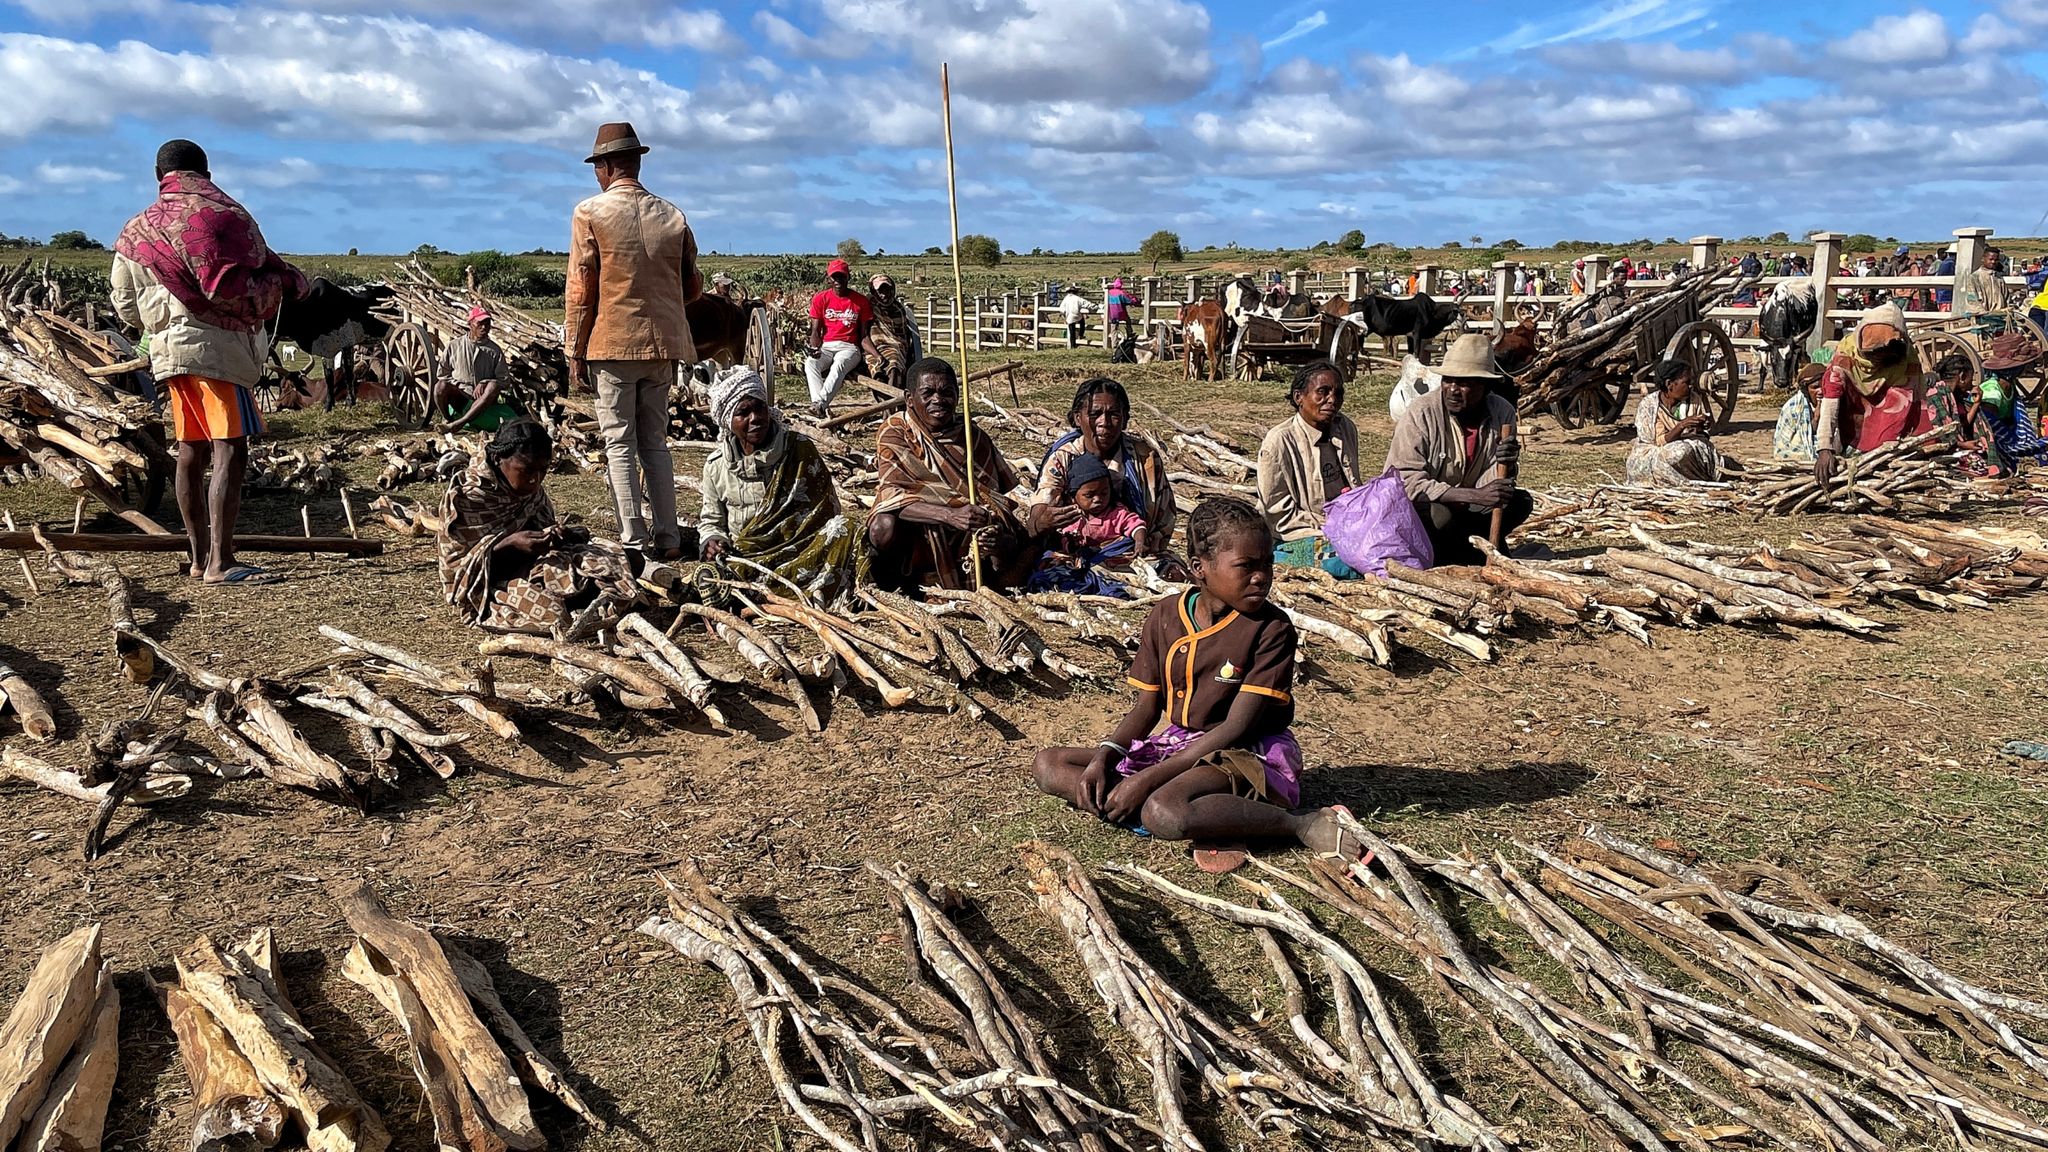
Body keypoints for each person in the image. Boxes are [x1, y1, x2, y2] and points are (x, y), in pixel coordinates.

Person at [1030, 497, 1360, 860]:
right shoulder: (1165, 616)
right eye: (1246, 566)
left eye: (1267, 564)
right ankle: (1207, 813)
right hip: (1180, 744)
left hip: (1245, 751)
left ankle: (1299, 823)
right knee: (1048, 765)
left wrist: (1147, 779)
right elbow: (1147, 707)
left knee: (1164, 810)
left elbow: (1236, 727)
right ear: (1199, 568)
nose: (1262, 576)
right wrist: (1107, 757)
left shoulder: (1271, 628)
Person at [111, 138, 306, 586]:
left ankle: (198, 559)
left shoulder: (136, 230)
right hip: (220, 350)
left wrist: (158, 327)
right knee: (230, 448)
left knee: (189, 450)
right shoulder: (225, 217)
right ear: (207, 173)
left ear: (160, 177)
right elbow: (243, 280)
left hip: (170, 355)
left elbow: (123, 302)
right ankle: (221, 562)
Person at [565, 120, 697, 564]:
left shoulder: (590, 213)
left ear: (603, 166)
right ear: (637, 161)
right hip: (662, 347)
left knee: (620, 443)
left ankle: (633, 541)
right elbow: (691, 286)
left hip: (611, 343)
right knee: (655, 443)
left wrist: (574, 350)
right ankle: (669, 537)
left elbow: (582, 288)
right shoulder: (673, 215)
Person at [438, 419, 639, 634]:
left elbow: (545, 526)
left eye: (543, 470)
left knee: (626, 559)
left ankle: (588, 600)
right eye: (526, 471)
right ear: (498, 459)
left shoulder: (529, 490)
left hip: (535, 568)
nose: (536, 480)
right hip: (489, 585)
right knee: (551, 612)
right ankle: (584, 604)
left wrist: (559, 535)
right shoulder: (467, 498)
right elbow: (458, 573)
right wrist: (510, 546)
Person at [868, 357, 1037, 591]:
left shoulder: (972, 437)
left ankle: (985, 578)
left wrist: (988, 523)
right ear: (909, 398)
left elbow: (995, 496)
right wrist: (950, 515)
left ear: (958, 396)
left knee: (1004, 540)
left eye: (947, 392)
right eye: (927, 392)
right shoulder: (896, 432)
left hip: (968, 531)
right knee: (883, 527)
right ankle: (895, 585)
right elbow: (892, 497)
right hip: (919, 527)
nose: (938, 400)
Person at [696, 365, 856, 604]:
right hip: (748, 558)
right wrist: (712, 542)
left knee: (845, 529)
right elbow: (711, 521)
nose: (756, 419)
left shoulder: (798, 450)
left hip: (803, 551)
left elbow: (826, 511)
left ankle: (784, 592)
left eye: (760, 407)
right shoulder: (716, 466)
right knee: (710, 579)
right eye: (743, 412)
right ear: (728, 420)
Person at [1386, 333, 1528, 565]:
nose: (1452, 389)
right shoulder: (1420, 413)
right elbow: (1404, 482)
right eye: (1448, 380)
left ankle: (1470, 545)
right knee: (1440, 516)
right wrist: (1474, 495)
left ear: (1486, 386)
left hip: (1469, 509)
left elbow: (1493, 480)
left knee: (1520, 501)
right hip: (1424, 508)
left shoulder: (1502, 413)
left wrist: (1508, 466)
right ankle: (1455, 552)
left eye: (1464, 383)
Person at [1026, 377, 1178, 565]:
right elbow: (1036, 519)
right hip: (1072, 554)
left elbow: (1164, 520)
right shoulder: (1062, 459)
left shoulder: (1144, 458)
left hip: (1136, 553)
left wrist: (1138, 544)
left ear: (1125, 420)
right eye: (1094, 413)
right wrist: (1043, 523)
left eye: (1113, 414)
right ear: (1077, 418)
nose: (1104, 422)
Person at [1256, 360, 1361, 577]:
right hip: (1296, 537)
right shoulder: (1278, 442)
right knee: (1346, 562)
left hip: (1347, 528)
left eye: (1338, 393)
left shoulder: (1345, 428)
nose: (1332, 400)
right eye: (1322, 392)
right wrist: (1330, 527)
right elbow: (1278, 514)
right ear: (1299, 397)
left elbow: (1353, 485)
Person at [1813, 300, 1933, 484]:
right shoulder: (1845, 357)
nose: (1876, 359)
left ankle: (1886, 464)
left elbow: (1908, 410)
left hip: (1890, 428)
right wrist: (1824, 448)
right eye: (1872, 353)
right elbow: (1831, 401)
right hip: (1853, 418)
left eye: (1883, 353)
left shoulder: (1905, 359)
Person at [1628, 359, 1727, 484]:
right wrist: (1682, 425)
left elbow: (1696, 435)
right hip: (1653, 452)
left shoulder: (1693, 399)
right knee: (1679, 452)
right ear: (1670, 384)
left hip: (1688, 446)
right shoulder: (1649, 406)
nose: (1691, 386)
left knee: (1699, 448)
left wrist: (1702, 426)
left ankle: (1699, 476)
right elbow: (1657, 442)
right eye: (1686, 382)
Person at [804, 259, 877, 417]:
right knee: (810, 364)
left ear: (848, 277)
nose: (838, 281)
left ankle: (820, 405)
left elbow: (864, 336)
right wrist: (815, 349)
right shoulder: (820, 299)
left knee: (839, 365)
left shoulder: (860, 301)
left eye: (841, 277)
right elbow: (815, 331)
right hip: (827, 346)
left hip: (849, 348)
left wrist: (878, 356)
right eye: (834, 277)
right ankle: (819, 406)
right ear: (828, 278)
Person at [437, 307, 520, 432]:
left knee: (493, 386)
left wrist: (485, 382)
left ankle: (458, 424)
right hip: (460, 397)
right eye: (480, 323)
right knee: (440, 386)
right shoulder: (454, 346)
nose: (484, 327)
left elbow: (504, 381)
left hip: (483, 400)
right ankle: (447, 419)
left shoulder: (494, 350)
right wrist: (459, 385)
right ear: (470, 324)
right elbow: (442, 374)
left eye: (487, 323)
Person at [864, 274, 920, 390]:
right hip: (874, 348)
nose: (884, 294)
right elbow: (863, 334)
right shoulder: (868, 307)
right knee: (878, 370)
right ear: (874, 292)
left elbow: (902, 338)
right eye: (880, 290)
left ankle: (892, 399)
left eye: (887, 289)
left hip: (896, 347)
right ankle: (884, 399)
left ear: (892, 290)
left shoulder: (898, 309)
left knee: (893, 365)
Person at [1772, 362, 1827, 463]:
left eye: (1824, 386)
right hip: (1800, 454)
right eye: (1815, 387)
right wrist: (1816, 419)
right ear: (1806, 390)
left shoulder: (1836, 404)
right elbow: (1781, 446)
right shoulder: (1792, 408)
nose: (1821, 391)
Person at [1958, 248, 2012, 319]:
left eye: (1996, 260)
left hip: (2000, 316)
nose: (1993, 262)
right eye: (1990, 259)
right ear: (1983, 259)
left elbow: (2006, 297)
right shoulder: (1975, 277)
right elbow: (1972, 300)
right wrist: (1984, 314)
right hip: (1982, 317)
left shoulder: (1999, 278)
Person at [1104, 278, 1136, 343]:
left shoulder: (1109, 292)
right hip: (1121, 312)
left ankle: (1114, 343)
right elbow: (1129, 300)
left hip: (1112, 313)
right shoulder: (1121, 292)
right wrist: (1135, 301)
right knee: (1128, 320)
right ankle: (1130, 335)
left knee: (1114, 328)